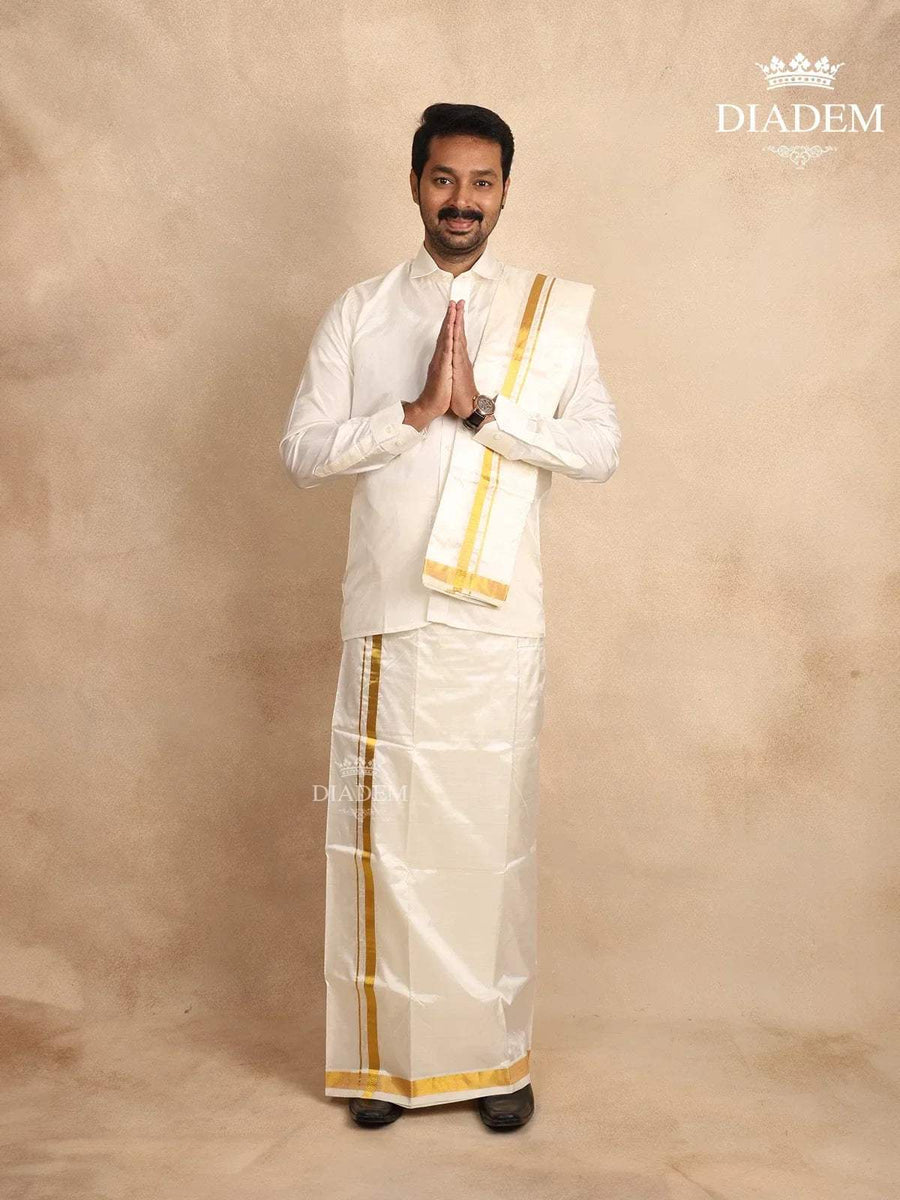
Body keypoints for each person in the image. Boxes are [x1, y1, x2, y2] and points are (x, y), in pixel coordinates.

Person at [279, 103, 621, 1130]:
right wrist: (415, 413)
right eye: (443, 179)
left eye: (481, 182)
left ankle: (494, 1061)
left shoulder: (549, 315)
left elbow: (599, 449)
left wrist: (485, 412)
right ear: (416, 183)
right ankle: (387, 1068)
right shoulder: (362, 311)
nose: (461, 201)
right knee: (385, 843)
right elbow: (301, 452)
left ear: (505, 189)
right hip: (391, 611)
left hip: (498, 619)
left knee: (489, 848)